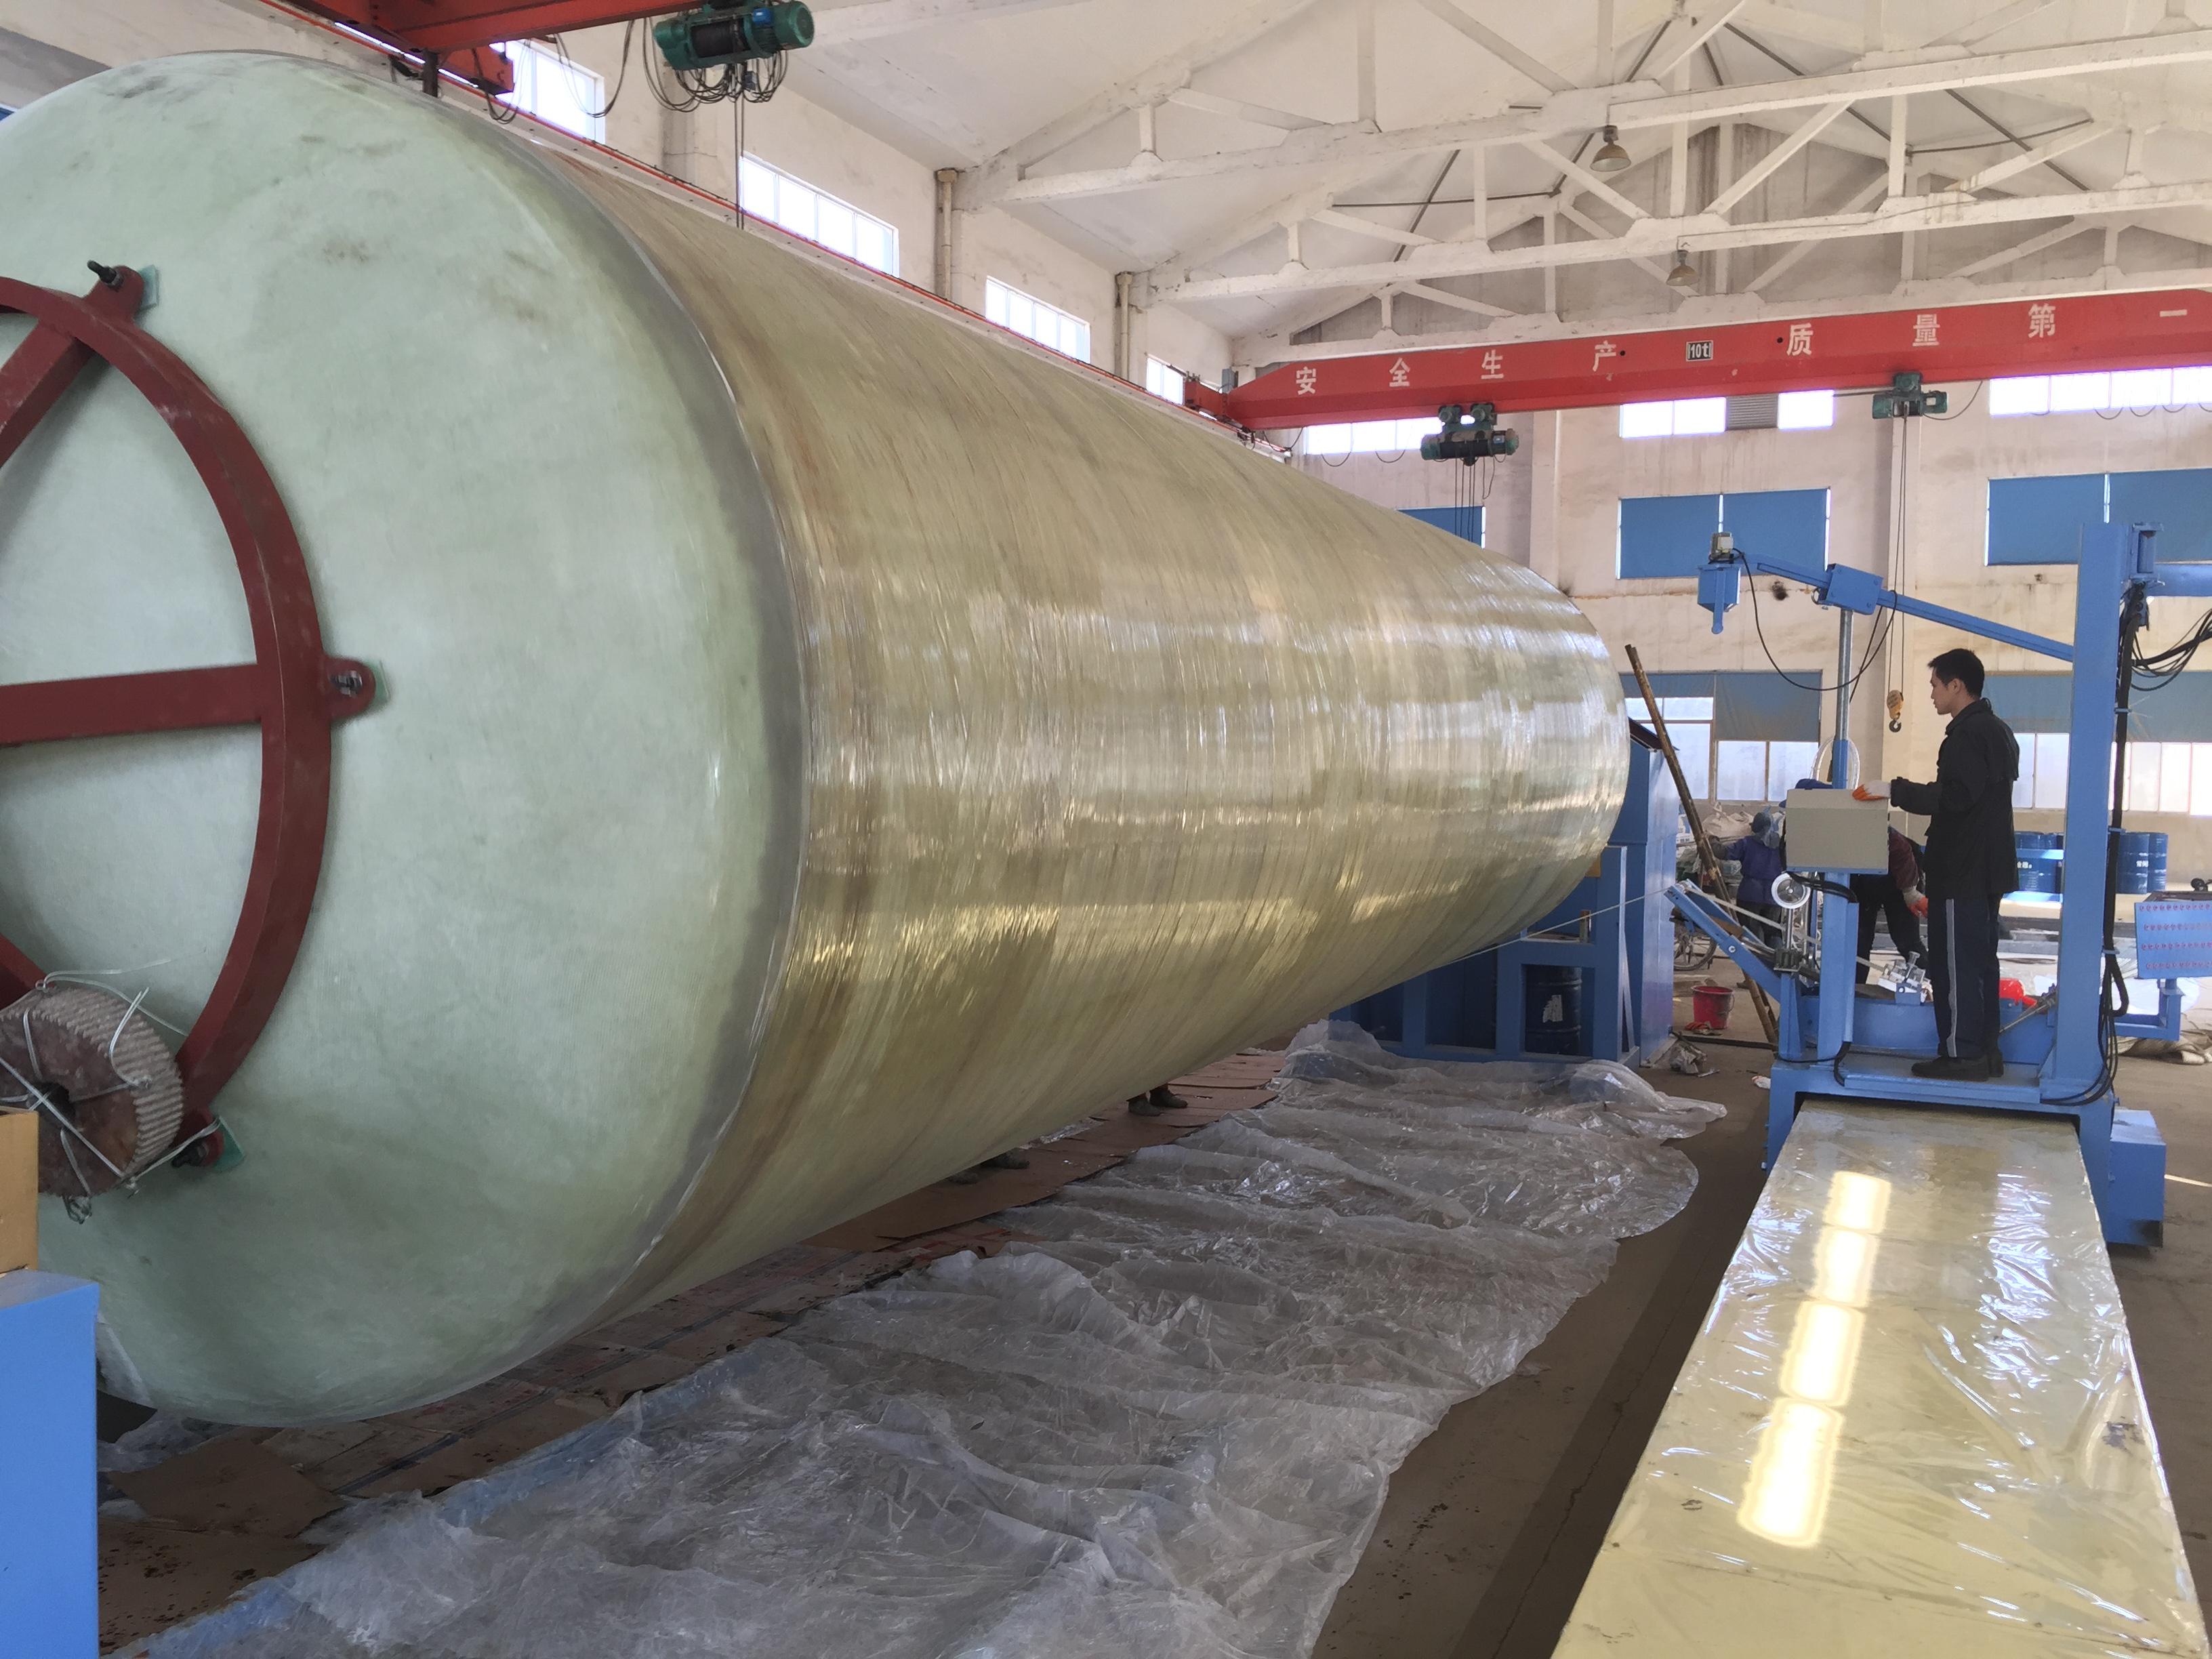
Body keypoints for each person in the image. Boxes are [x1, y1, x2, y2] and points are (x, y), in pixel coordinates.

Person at [1854, 648, 2020, 1078]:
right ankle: (1986, 1052)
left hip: (1962, 870)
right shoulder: (1998, 730)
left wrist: (1894, 789)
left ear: (1956, 685)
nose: (1931, 694)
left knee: (1955, 966)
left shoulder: (1967, 734)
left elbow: (1954, 798)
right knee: (1980, 962)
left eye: (1934, 686)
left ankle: (1961, 1056)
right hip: (1987, 869)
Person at [1851, 825, 1928, 985]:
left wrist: (1910, 891)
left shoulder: (1879, 831)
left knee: (1907, 941)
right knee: (1858, 943)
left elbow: (1901, 850)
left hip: (1900, 876)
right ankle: (1855, 990)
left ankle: (1939, 985)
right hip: (1861, 880)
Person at [1724, 811, 1786, 930]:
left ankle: (1753, 943)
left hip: (1750, 894)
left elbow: (1725, 853)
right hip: (1774, 895)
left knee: (1750, 932)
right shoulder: (1781, 845)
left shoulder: (1747, 843)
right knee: (1772, 931)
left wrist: (1712, 842)